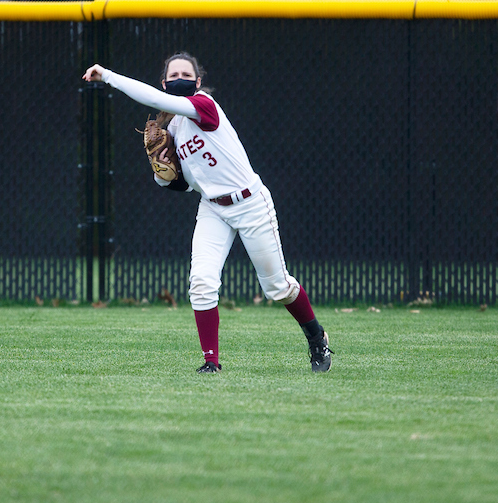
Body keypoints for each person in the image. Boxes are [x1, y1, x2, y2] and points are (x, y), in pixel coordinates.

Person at [82, 53, 333, 374]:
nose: (180, 79)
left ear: (198, 82)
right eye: (174, 75)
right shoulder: (174, 129)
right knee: (201, 282)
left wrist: (108, 76)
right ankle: (211, 362)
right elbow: (185, 184)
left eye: (186, 74)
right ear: (165, 82)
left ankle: (316, 337)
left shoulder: (204, 106)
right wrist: (162, 174)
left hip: (250, 204)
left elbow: (156, 100)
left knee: (277, 288)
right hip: (213, 208)